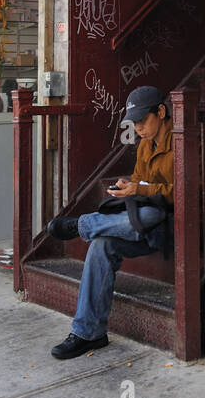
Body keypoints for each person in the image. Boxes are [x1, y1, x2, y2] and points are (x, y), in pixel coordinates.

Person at [45, 86, 173, 359]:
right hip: (141, 219)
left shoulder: (182, 142)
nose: (138, 127)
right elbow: (141, 183)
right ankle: (88, 333)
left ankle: (81, 226)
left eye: (143, 120)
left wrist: (140, 190)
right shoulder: (144, 147)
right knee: (101, 245)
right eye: (134, 122)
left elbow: (183, 194)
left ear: (161, 112)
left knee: (152, 214)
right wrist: (129, 186)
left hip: (169, 225)